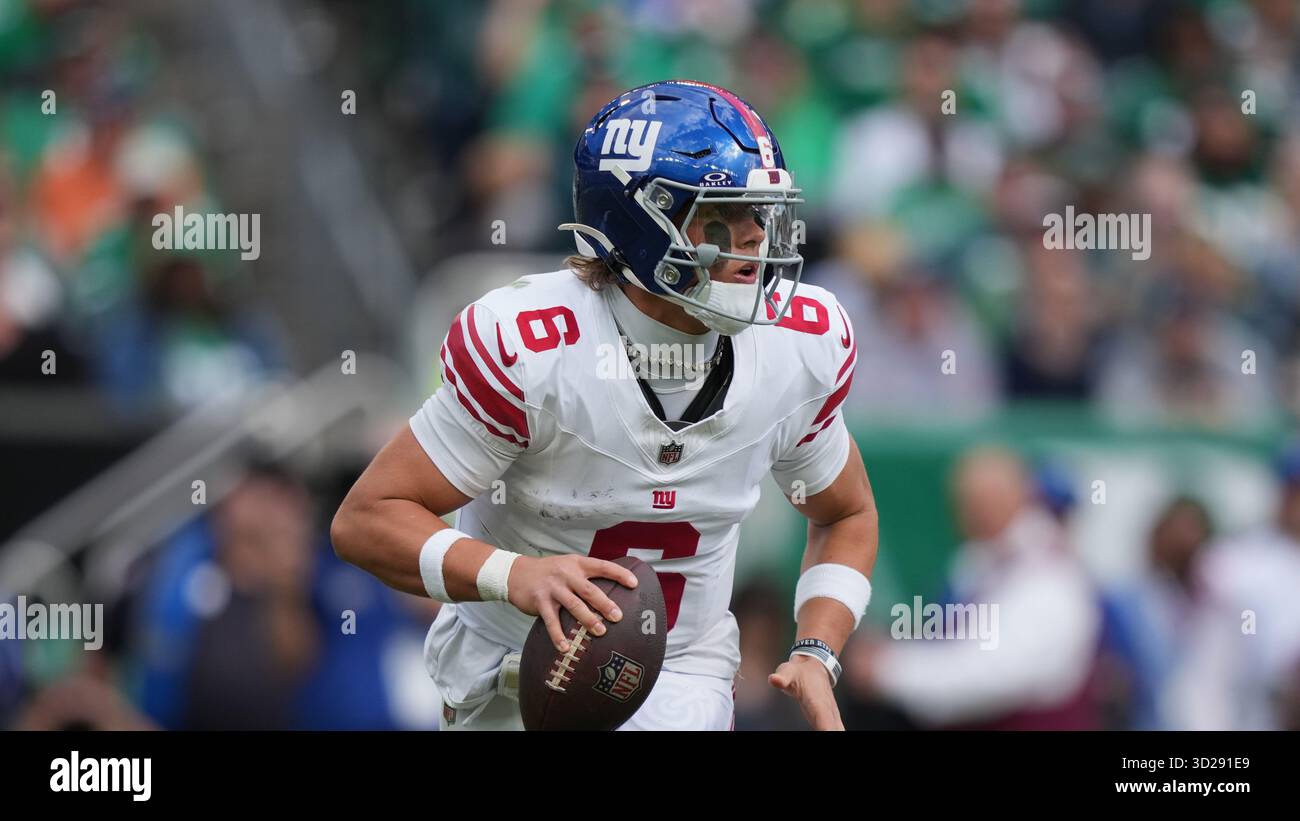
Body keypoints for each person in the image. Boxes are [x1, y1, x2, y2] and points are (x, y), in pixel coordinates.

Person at [332, 81, 879, 730]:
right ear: (642, 224)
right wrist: (515, 575)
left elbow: (847, 511)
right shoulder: (535, 349)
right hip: (520, 673)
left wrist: (818, 648)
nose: (756, 238)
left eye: (761, 212)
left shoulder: (798, 345)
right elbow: (366, 519)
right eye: (724, 215)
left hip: (684, 678)